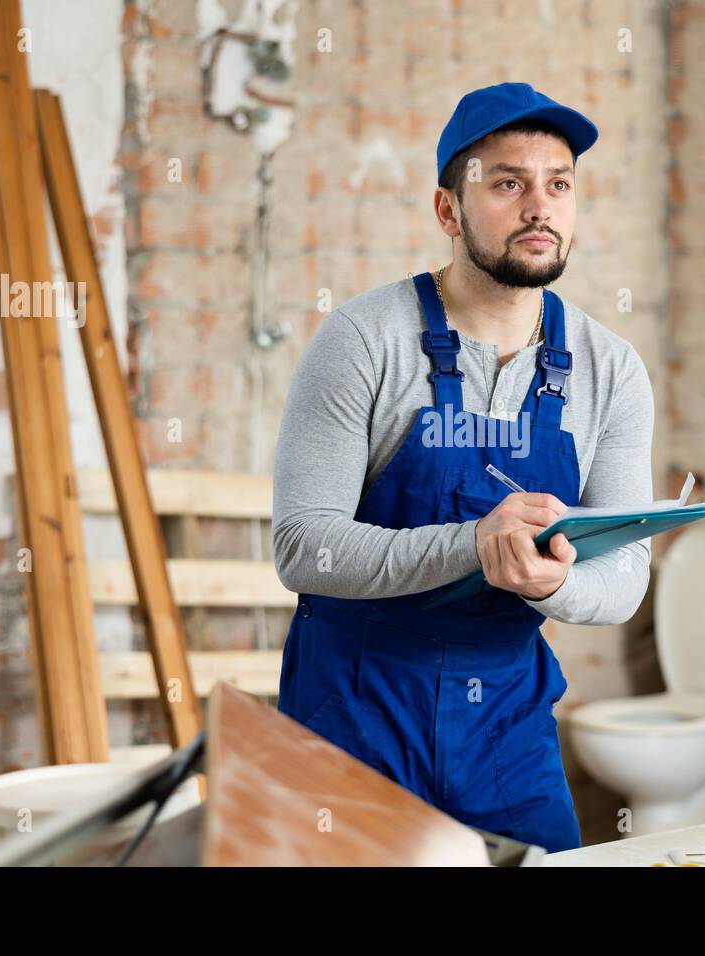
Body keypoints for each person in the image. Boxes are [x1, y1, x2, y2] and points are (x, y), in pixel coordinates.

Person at [272, 82, 654, 853]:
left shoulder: (611, 370)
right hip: (356, 712)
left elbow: (627, 573)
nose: (538, 207)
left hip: (507, 726)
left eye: (559, 185)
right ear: (449, 211)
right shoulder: (362, 341)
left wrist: (558, 583)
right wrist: (471, 545)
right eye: (507, 183)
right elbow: (301, 546)